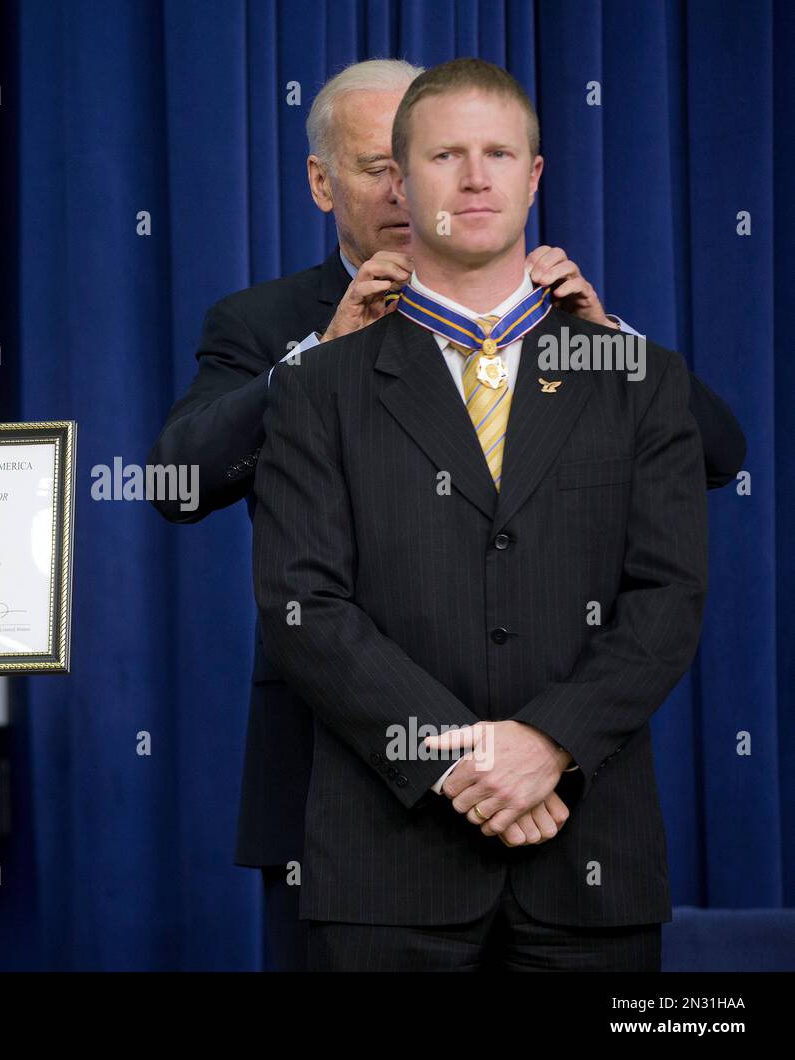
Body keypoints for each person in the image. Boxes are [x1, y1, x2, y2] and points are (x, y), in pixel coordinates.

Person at [148, 58, 744, 971]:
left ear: (531, 175)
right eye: (407, 161)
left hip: (583, 826)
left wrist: (606, 343)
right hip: (359, 801)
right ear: (331, 180)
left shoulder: (601, 348)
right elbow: (186, 493)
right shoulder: (285, 343)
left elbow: (688, 527)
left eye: (493, 153)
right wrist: (318, 354)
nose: (453, 181)